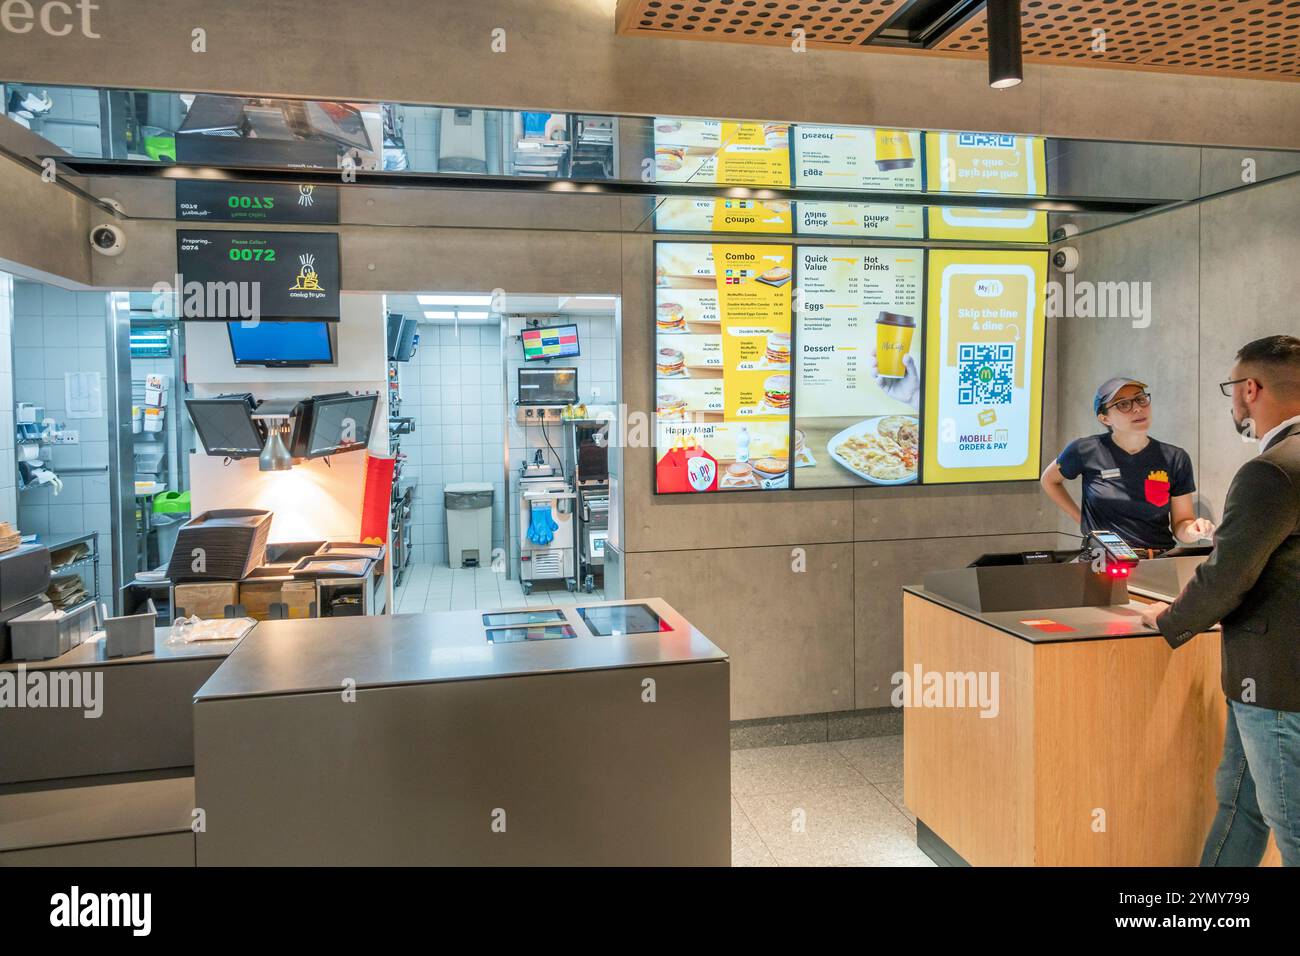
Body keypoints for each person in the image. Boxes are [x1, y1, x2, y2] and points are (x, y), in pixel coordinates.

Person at [1139, 335, 1300, 867]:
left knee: (1291, 826)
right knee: (1240, 806)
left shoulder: (1272, 470)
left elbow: (1230, 574)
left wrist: (1168, 620)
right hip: (1261, 682)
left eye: (1234, 388)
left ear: (1250, 389)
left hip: (1278, 685)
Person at [1041, 377, 1214, 556]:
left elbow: (1182, 523)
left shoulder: (1175, 458)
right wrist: (1081, 518)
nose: (1138, 408)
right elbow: (1049, 480)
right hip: (1104, 559)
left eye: (1141, 399)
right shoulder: (1084, 450)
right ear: (1105, 418)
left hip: (1159, 560)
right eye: (1123, 404)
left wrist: (1193, 531)